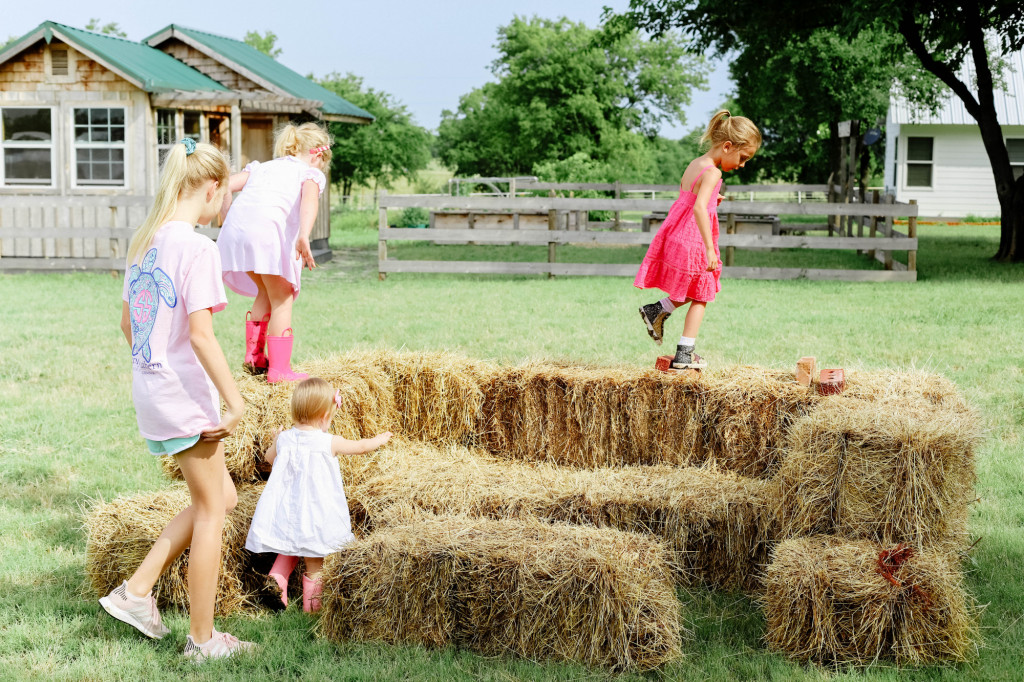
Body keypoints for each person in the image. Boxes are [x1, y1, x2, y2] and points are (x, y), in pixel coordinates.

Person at [101, 137, 254, 662]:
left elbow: (127, 323)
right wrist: (235, 404)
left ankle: (137, 591)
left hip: (152, 390)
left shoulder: (145, 243)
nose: (222, 210)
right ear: (211, 189)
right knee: (214, 511)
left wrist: (153, 369)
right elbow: (202, 336)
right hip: (185, 396)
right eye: (224, 198)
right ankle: (204, 640)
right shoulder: (197, 248)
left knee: (221, 498)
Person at [245, 377, 392, 613]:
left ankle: (277, 579)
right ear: (325, 415)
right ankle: (312, 610)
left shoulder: (284, 439)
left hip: (287, 511)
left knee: (289, 546)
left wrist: (275, 440)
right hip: (314, 513)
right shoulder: (328, 442)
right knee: (314, 562)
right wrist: (379, 440)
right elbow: (360, 447)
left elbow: (268, 459)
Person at [635, 110, 761, 369]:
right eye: (743, 157)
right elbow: (698, 209)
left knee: (693, 289)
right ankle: (684, 354)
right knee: (703, 294)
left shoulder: (696, 164)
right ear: (727, 146)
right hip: (694, 241)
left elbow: (691, 198)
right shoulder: (714, 174)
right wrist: (709, 250)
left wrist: (713, 198)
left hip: (675, 234)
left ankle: (656, 310)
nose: (742, 164)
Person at [217, 122, 332, 383]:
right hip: (265, 236)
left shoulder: (262, 167)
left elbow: (224, 186)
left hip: (236, 236)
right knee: (283, 296)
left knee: (266, 291)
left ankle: (255, 358)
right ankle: (280, 370)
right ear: (317, 155)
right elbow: (310, 200)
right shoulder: (310, 173)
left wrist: (226, 217)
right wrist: (304, 234)